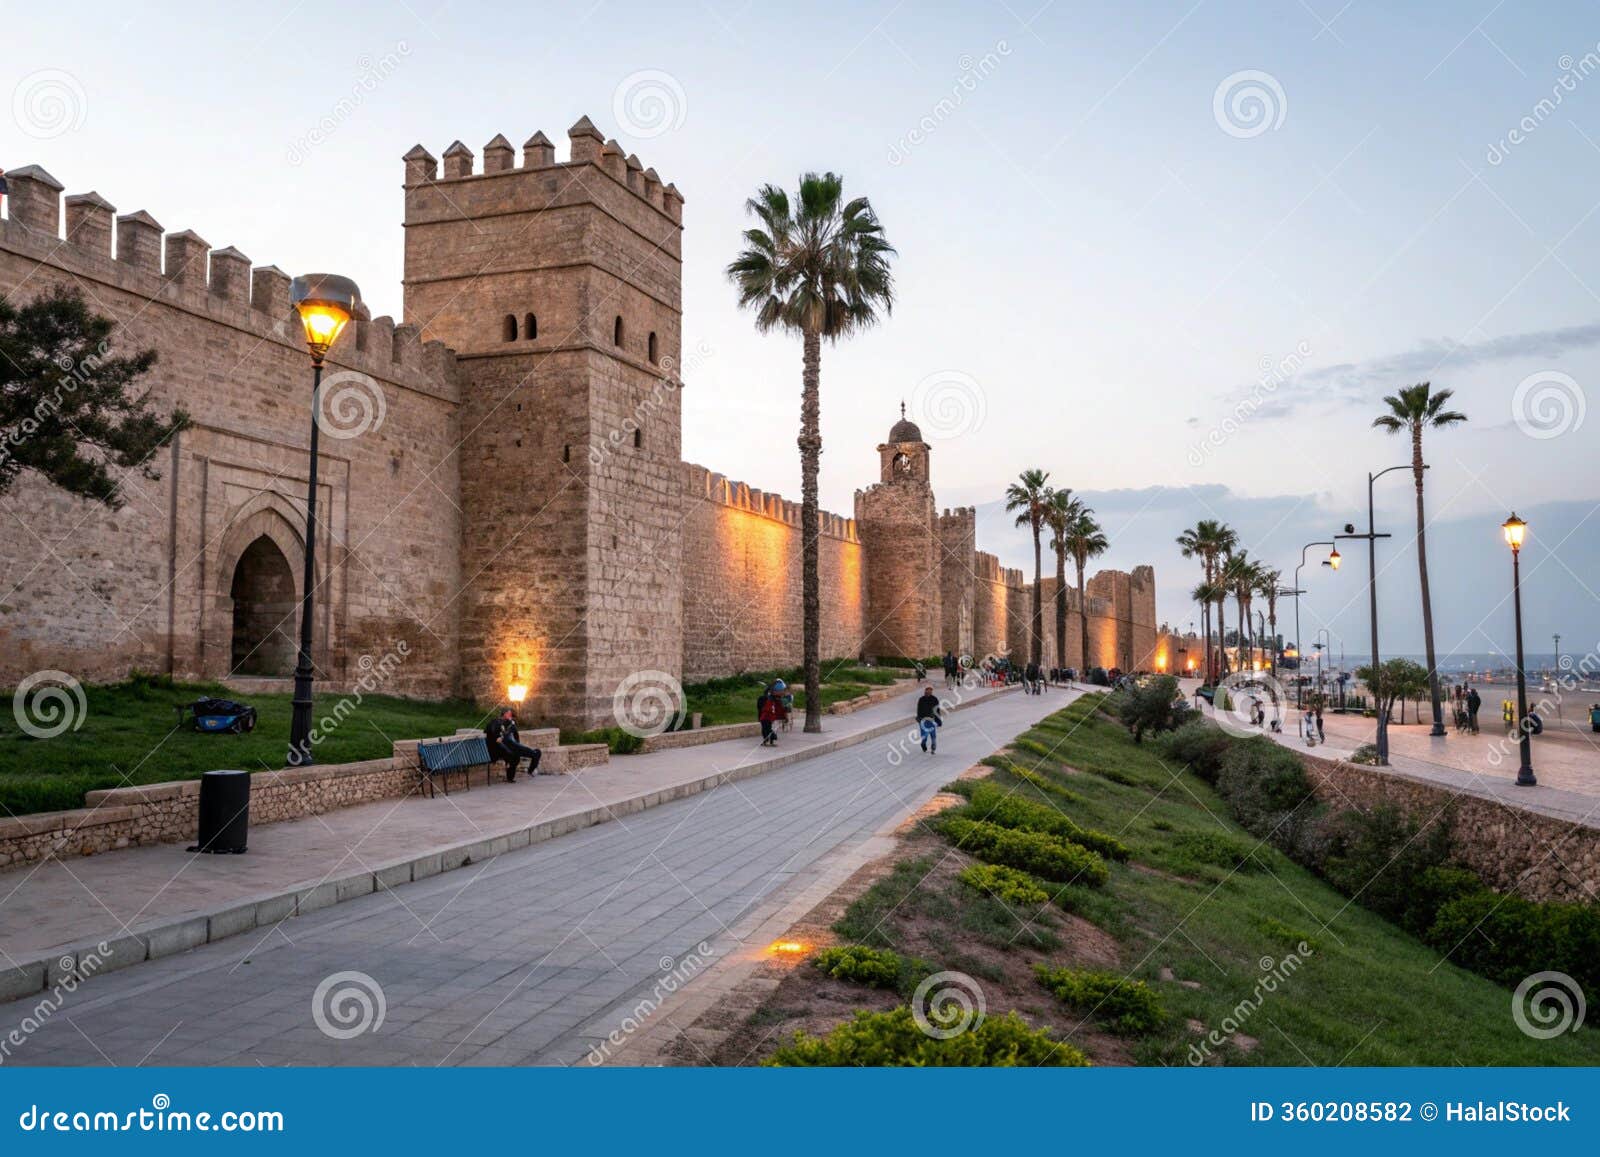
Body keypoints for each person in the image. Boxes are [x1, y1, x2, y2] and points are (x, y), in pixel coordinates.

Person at [484, 707, 541, 782]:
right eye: (509, 714)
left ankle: (530, 770)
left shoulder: (509, 723)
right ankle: (514, 777)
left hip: (512, 747)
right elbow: (495, 736)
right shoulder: (495, 722)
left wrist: (511, 725)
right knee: (515, 757)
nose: (511, 716)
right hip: (499, 750)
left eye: (511, 714)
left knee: (537, 752)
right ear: (504, 714)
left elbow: (515, 737)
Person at [915, 685, 942, 754]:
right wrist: (919, 718)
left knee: (933, 735)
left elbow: (937, 710)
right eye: (928, 689)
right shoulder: (921, 699)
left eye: (930, 690)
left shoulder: (934, 699)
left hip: (931, 720)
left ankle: (933, 748)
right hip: (923, 720)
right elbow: (919, 710)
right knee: (924, 735)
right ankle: (923, 744)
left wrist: (939, 720)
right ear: (925, 690)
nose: (929, 691)